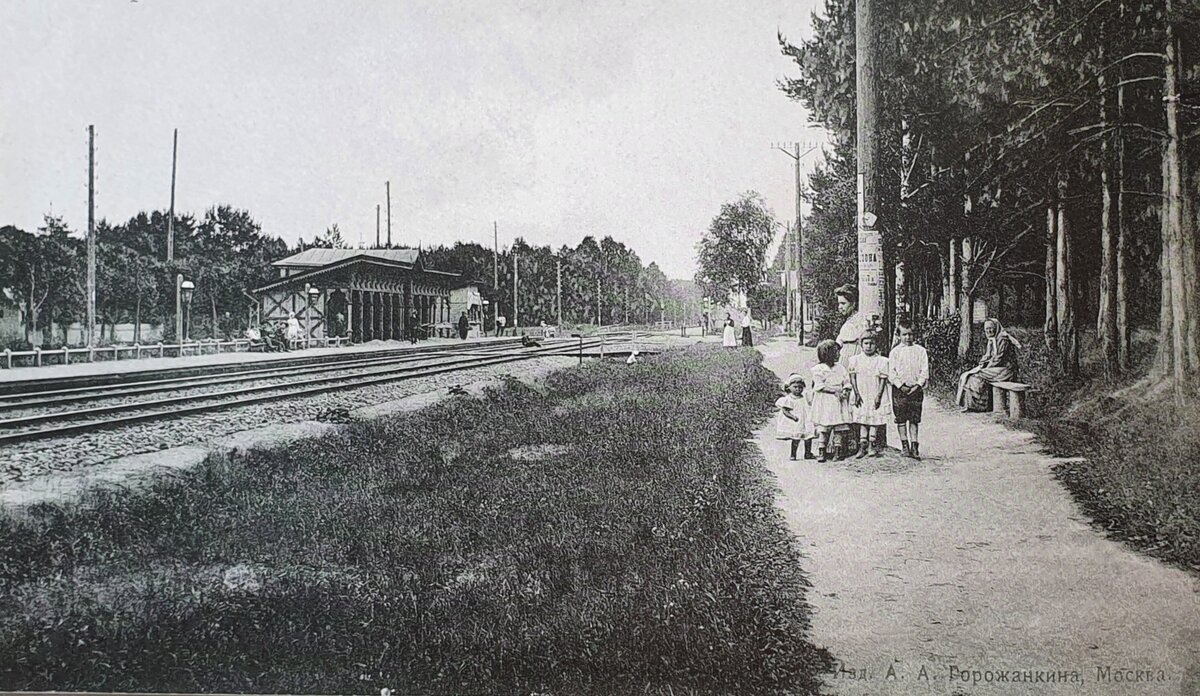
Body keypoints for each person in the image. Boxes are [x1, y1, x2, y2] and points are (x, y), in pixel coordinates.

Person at [957, 318, 1021, 412]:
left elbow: (998, 358)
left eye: (991, 328)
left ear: (996, 328)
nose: (989, 331)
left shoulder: (1003, 339)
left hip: (1006, 370)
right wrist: (982, 363)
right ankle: (972, 405)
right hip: (997, 369)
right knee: (968, 375)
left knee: (976, 375)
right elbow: (987, 355)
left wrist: (986, 367)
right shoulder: (992, 339)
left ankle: (982, 406)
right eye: (986, 329)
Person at [889, 319, 929, 460]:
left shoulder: (921, 351)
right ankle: (904, 445)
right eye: (904, 334)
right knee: (900, 418)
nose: (908, 338)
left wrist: (918, 385)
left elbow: (925, 371)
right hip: (900, 391)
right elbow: (892, 373)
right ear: (899, 335)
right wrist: (901, 386)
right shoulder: (895, 352)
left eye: (911, 334)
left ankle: (914, 445)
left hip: (916, 390)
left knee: (914, 419)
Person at [849, 332, 891, 458]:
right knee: (862, 420)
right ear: (861, 344)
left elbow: (883, 379)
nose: (869, 346)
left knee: (874, 419)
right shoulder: (855, 360)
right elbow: (853, 377)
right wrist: (856, 393)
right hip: (861, 393)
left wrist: (878, 396)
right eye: (866, 343)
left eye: (872, 343)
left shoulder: (881, 361)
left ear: (876, 345)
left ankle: (872, 444)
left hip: (874, 392)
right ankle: (862, 446)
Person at [810, 339, 853, 462]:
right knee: (824, 427)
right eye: (836, 352)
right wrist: (835, 391)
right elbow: (819, 386)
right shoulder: (818, 369)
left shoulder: (840, 368)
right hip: (825, 401)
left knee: (838, 427)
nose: (839, 354)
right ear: (828, 354)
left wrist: (845, 390)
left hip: (838, 402)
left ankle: (837, 451)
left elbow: (846, 382)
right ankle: (822, 451)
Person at [775, 373, 813, 460]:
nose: (798, 389)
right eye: (795, 387)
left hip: (806, 420)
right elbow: (785, 411)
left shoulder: (804, 398)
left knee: (808, 437)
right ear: (789, 387)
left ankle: (808, 453)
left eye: (800, 387)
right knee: (796, 438)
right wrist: (792, 417)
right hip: (796, 421)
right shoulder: (788, 399)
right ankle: (793, 454)